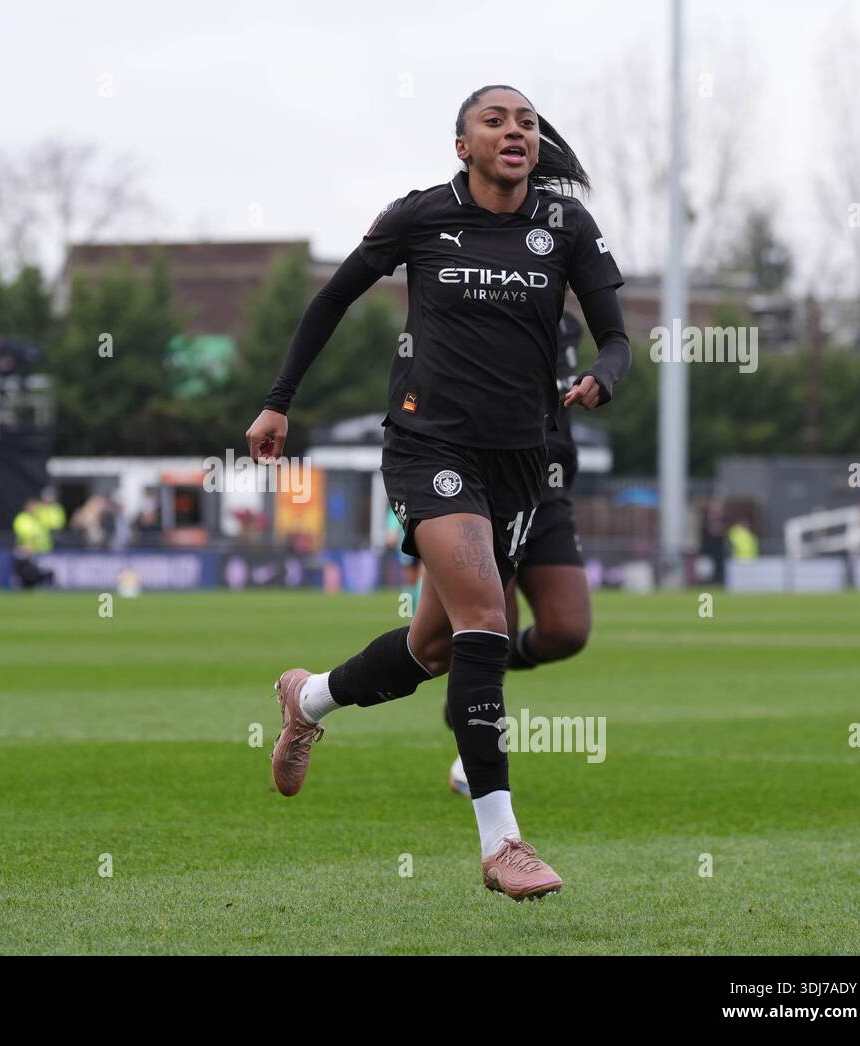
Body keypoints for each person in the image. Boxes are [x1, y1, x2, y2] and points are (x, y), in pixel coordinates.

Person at [247, 85, 631, 900]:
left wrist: (604, 374)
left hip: (522, 461)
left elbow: (618, 337)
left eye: (526, 121)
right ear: (463, 145)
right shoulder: (419, 216)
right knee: (489, 619)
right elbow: (331, 299)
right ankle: (503, 843)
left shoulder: (566, 228)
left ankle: (307, 699)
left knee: (436, 649)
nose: (515, 131)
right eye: (496, 121)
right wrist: (279, 400)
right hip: (429, 446)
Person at [448, 310, 594, 797]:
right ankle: (476, 750)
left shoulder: (569, 325)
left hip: (549, 490)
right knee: (487, 629)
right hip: (486, 484)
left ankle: (469, 687)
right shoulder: (480, 301)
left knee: (567, 629)